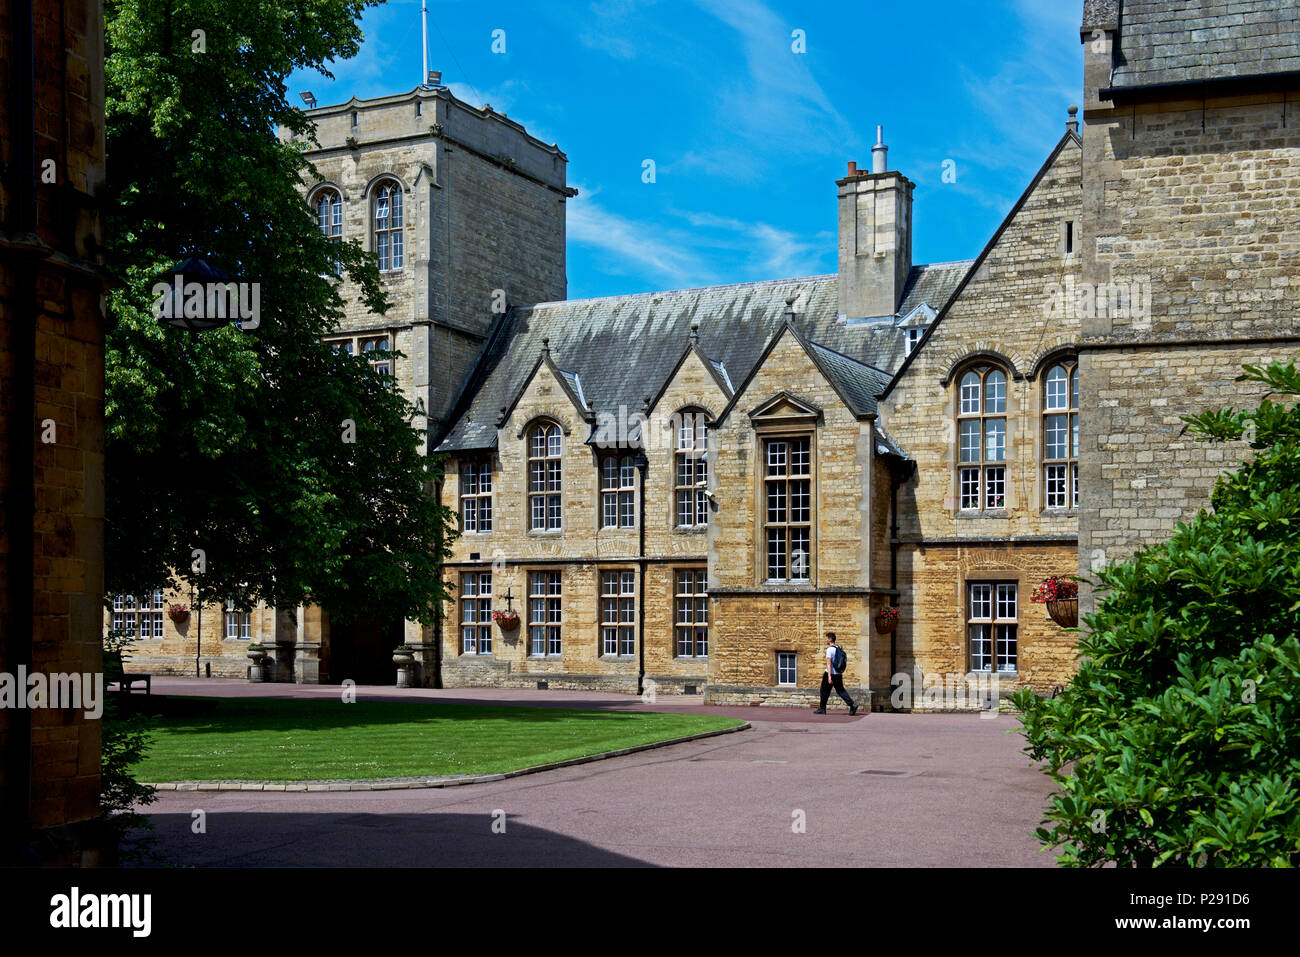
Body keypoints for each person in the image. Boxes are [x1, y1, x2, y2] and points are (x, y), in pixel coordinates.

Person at [814, 632, 857, 715]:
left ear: (830, 639)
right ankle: (852, 704)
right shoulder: (838, 648)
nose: (826, 640)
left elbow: (829, 664)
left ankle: (822, 709)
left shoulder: (829, 650)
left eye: (827, 638)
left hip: (830, 674)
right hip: (838, 674)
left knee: (824, 691)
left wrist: (829, 677)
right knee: (841, 691)